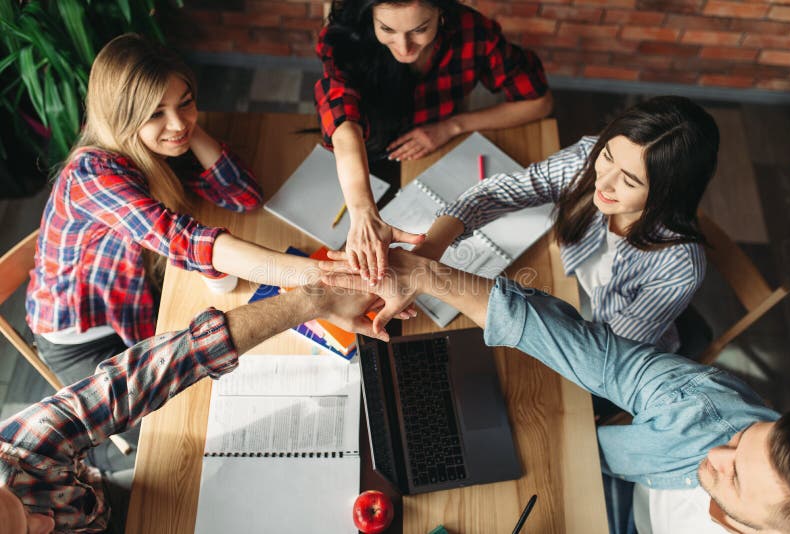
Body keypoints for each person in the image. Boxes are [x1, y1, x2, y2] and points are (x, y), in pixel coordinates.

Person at [320, 248, 790, 534]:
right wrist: (428, 275)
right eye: (742, 438)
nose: (715, 449)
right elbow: (594, 354)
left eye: (734, 476)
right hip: (602, 479)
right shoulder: (708, 410)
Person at [25, 34, 338, 388]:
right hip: (82, 336)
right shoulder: (92, 175)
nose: (176, 122)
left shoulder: (157, 146)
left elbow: (244, 196)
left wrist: (190, 131)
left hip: (138, 295)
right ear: (121, 118)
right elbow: (185, 241)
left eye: (185, 102)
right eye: (155, 112)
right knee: (168, 415)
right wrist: (318, 274)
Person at [1, 280, 387, 534]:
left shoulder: (20, 450)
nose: (45, 523)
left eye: (20, 506)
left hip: (112, 498)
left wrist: (311, 300)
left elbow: (131, 383)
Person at [413, 96, 720, 354]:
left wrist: (457, 289)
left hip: (614, 347)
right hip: (574, 295)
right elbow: (500, 191)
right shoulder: (589, 156)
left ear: (670, 192)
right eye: (608, 156)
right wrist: (428, 250)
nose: (604, 181)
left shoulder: (679, 267)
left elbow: (608, 355)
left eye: (629, 181)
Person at [315, 0, 552, 285]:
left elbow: (539, 103)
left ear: (442, 13)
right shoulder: (345, 35)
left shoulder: (472, 32)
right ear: (369, 15)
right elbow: (343, 121)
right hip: (362, 151)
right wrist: (363, 212)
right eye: (387, 29)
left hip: (438, 147)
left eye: (420, 29)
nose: (404, 48)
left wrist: (452, 126)